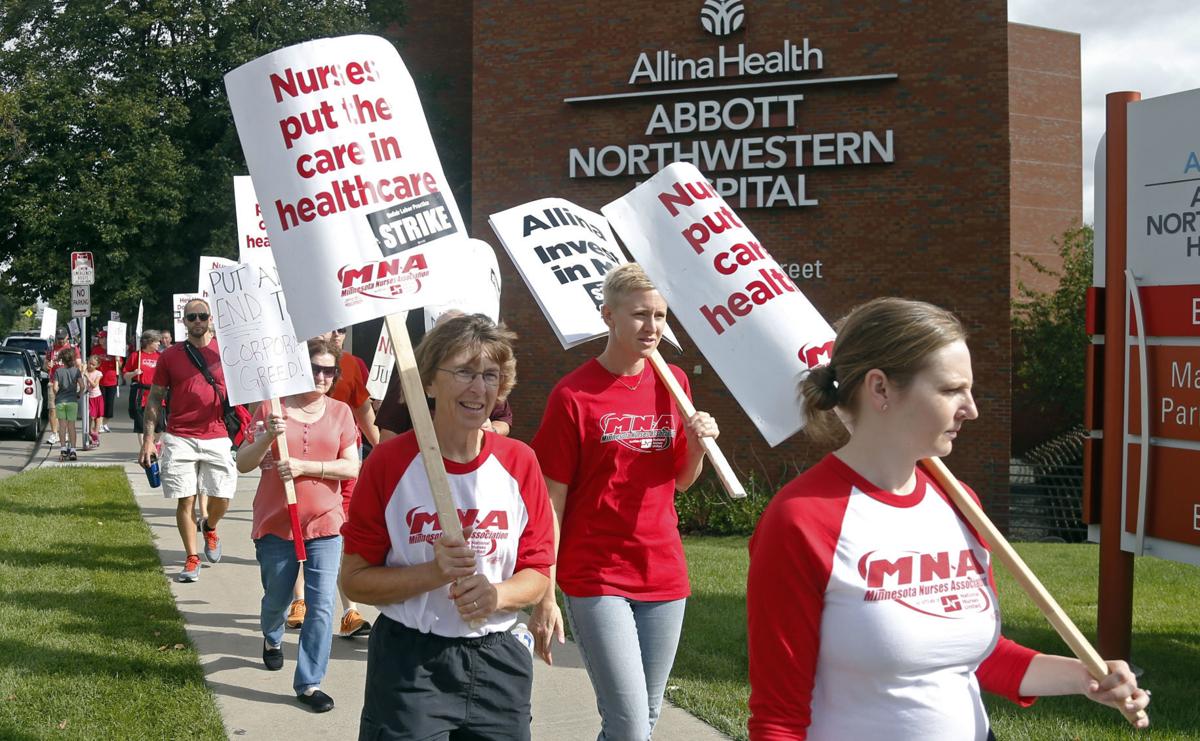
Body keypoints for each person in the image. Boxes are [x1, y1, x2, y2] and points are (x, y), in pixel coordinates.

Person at [745, 297, 1150, 740]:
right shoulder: (801, 519)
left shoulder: (961, 503)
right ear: (880, 389)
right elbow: (778, 717)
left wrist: (1086, 677)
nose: (971, 409)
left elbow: (978, 655)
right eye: (950, 390)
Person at [529, 263, 720, 740]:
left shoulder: (674, 381)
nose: (652, 327)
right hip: (596, 574)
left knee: (643, 719)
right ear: (607, 316)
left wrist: (695, 445)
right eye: (639, 315)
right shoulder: (573, 394)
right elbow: (551, 499)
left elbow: (681, 482)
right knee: (631, 725)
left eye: (659, 315)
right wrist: (544, 590)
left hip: (663, 572)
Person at [341, 314, 554, 739]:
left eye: (490, 375)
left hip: (499, 665)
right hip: (410, 664)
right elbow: (355, 581)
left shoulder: (519, 461)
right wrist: (432, 574)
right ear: (430, 383)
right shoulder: (389, 463)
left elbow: (538, 573)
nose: (479, 388)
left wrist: (498, 595)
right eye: (464, 372)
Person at [237, 338, 360, 713]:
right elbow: (243, 462)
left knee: (321, 606)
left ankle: (309, 683)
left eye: (329, 370)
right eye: (315, 369)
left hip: (325, 522)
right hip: (277, 522)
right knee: (276, 598)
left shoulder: (340, 413)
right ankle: (272, 638)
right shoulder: (273, 410)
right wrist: (267, 437)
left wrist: (309, 468)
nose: (322, 376)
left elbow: (351, 466)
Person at [138, 299, 236, 583]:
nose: (197, 321)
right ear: (184, 321)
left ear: (210, 319)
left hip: (217, 434)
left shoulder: (226, 351)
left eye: (202, 316)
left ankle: (211, 526)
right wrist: (148, 440)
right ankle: (192, 557)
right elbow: (155, 398)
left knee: (223, 496)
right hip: (180, 435)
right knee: (186, 498)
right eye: (191, 316)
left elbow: (245, 390)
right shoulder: (170, 356)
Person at [50, 348, 85, 460]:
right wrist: (78, 394)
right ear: (73, 359)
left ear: (62, 359)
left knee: (62, 426)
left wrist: (58, 394)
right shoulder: (76, 371)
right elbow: (82, 386)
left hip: (60, 401)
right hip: (72, 401)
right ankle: (73, 450)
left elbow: (55, 388)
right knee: (72, 426)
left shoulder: (58, 371)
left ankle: (63, 449)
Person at [124, 331, 161, 435]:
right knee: (141, 425)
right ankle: (145, 449)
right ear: (149, 342)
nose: (159, 344)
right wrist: (134, 373)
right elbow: (125, 375)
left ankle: (155, 445)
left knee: (159, 426)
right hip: (140, 393)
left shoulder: (160, 356)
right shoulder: (136, 355)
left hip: (156, 392)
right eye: (157, 341)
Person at [88, 330, 121, 433]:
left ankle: (105, 423)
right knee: (100, 404)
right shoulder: (96, 349)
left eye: (103, 338)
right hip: (98, 381)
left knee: (109, 404)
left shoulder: (114, 350)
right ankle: (99, 424)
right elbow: (91, 363)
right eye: (100, 338)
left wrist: (117, 359)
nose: (101, 340)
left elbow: (119, 366)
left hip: (111, 381)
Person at [85, 355, 104, 447]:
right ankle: (89, 432)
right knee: (91, 416)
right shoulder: (85, 371)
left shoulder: (98, 373)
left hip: (97, 397)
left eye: (93, 364)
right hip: (89, 397)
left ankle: (95, 436)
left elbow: (94, 385)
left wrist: (87, 377)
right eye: (89, 363)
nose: (90, 366)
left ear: (97, 365)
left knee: (97, 418)